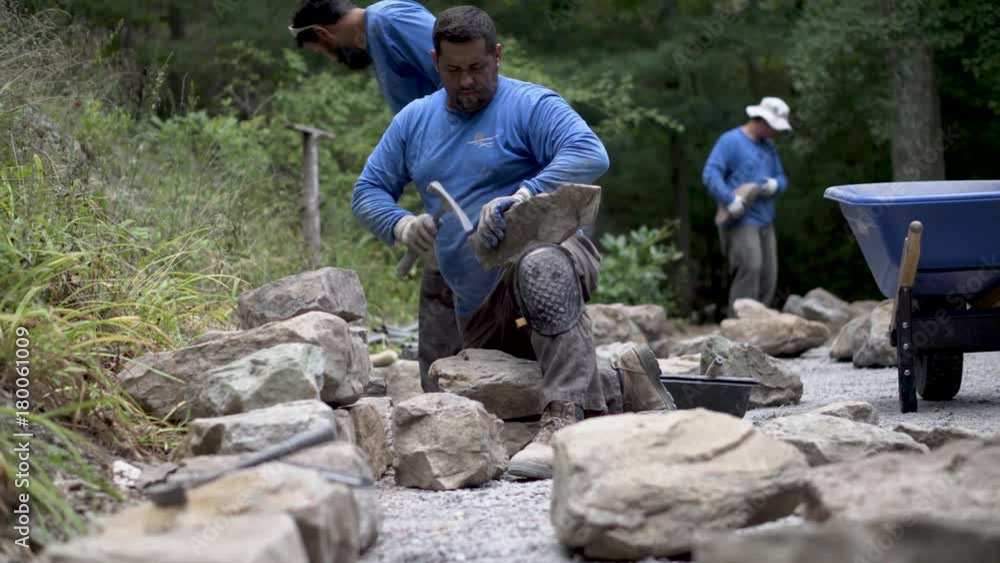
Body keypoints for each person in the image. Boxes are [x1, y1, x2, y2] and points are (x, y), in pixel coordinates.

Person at [352, 5, 675, 480]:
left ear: (497, 56)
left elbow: (590, 153)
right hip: (473, 303)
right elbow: (366, 192)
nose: (465, 82)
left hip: (546, 265)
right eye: (453, 70)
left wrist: (523, 196)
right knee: (455, 411)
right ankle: (624, 379)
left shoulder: (531, 105)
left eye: (477, 68)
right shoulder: (414, 121)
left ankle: (563, 421)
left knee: (541, 262)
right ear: (434, 61)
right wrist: (399, 225)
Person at [290, 0, 463, 389]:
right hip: (443, 188)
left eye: (323, 52)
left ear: (322, 34)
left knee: (461, 294)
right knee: (440, 306)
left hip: (471, 176)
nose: (333, 61)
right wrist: (402, 222)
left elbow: (463, 74)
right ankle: (442, 402)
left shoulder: (392, 20)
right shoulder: (380, 40)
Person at [702, 96, 791, 317]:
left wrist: (775, 185)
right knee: (750, 269)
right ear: (761, 121)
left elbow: (782, 178)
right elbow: (710, 174)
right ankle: (738, 327)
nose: (776, 133)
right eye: (774, 127)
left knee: (768, 275)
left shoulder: (769, 147)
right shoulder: (730, 141)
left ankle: (760, 329)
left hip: (765, 219)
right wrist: (729, 199)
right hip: (742, 221)